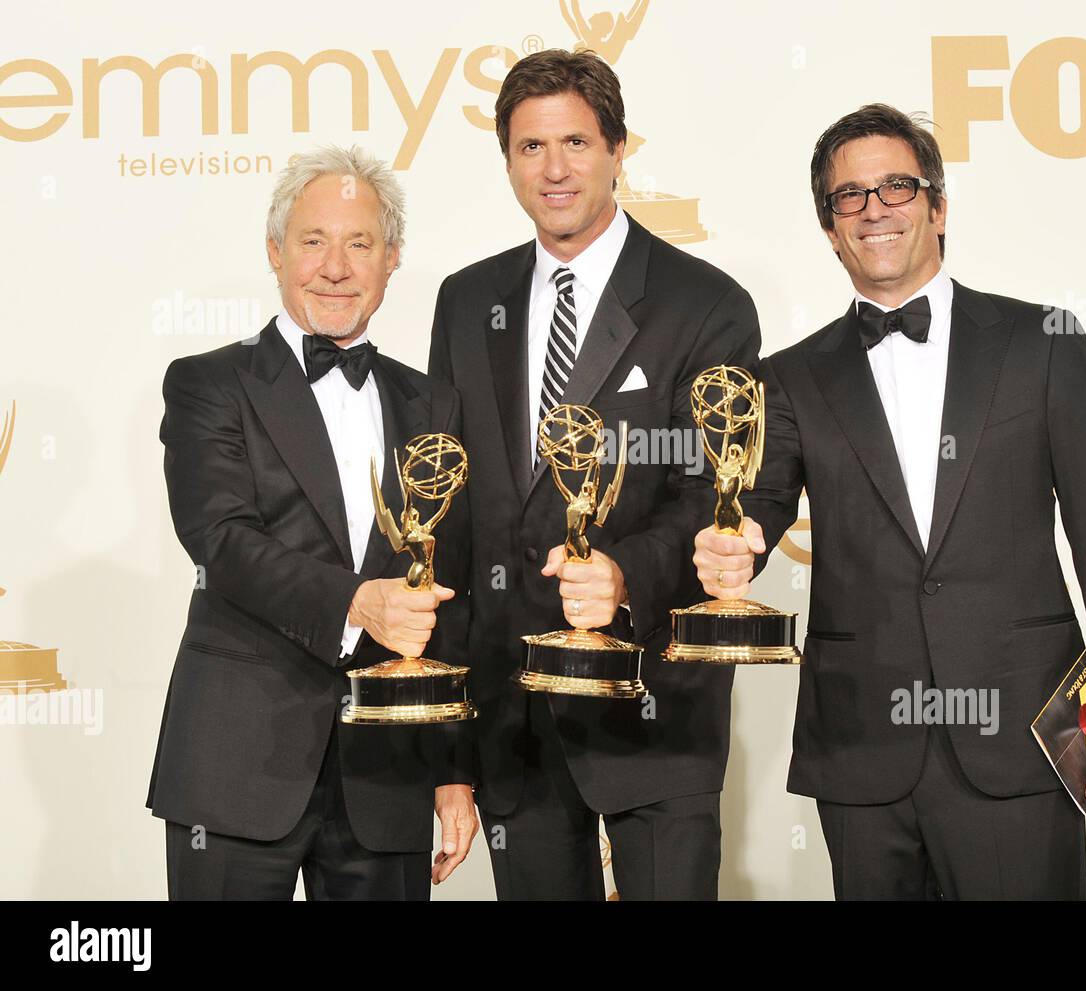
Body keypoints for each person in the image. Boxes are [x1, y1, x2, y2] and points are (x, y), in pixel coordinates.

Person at [692, 104, 1086, 900]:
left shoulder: (1042, 340)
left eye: (897, 187)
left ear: (938, 207)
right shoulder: (792, 374)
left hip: (1020, 731)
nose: (875, 207)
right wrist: (736, 541)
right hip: (861, 744)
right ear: (829, 226)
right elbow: (760, 501)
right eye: (851, 196)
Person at [427, 49, 760, 900]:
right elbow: (451, 522)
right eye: (531, 148)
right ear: (506, 160)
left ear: (619, 148)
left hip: (656, 709)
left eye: (576, 142)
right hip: (515, 720)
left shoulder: (704, 302)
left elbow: (713, 493)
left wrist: (623, 575)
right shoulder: (465, 302)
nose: (556, 168)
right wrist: (452, 748)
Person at [148, 146, 478, 900]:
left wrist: (453, 765)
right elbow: (221, 541)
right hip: (237, 764)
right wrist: (357, 601)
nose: (335, 266)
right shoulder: (208, 384)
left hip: (387, 776)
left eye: (360, 243)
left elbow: (449, 594)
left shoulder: (435, 403)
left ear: (392, 259)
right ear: (275, 252)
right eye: (313, 241)